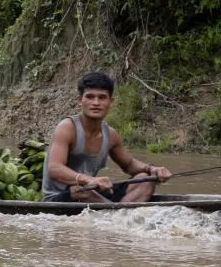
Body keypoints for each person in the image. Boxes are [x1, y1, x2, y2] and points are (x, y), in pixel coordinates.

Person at [42, 71, 172, 203]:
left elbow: (129, 165)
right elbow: (54, 169)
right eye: (90, 97)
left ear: (111, 102)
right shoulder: (67, 128)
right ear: (80, 100)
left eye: (102, 98)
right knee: (84, 190)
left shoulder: (110, 134)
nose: (96, 103)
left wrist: (152, 169)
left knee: (146, 179)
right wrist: (89, 179)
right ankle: (117, 213)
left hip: (93, 193)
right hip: (60, 197)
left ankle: (118, 213)